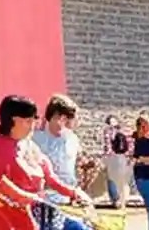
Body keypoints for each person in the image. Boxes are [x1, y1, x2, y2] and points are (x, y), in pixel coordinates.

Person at [0, 95, 89, 230]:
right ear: (14, 120)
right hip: (2, 218)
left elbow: (49, 176)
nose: (32, 127)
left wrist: (73, 193)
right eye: (28, 122)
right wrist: (34, 199)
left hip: (33, 214)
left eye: (33, 121)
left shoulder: (28, 145)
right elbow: (0, 186)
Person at [31, 94, 88, 230]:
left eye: (67, 119)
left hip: (69, 202)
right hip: (45, 204)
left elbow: (72, 170)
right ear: (51, 116)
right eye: (60, 118)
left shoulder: (72, 139)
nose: (63, 123)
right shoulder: (35, 140)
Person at [103, 114, 133, 209]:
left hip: (118, 157)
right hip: (117, 157)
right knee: (116, 179)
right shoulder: (111, 131)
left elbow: (127, 143)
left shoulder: (114, 131)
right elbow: (107, 144)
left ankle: (118, 199)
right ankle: (118, 199)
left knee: (116, 178)